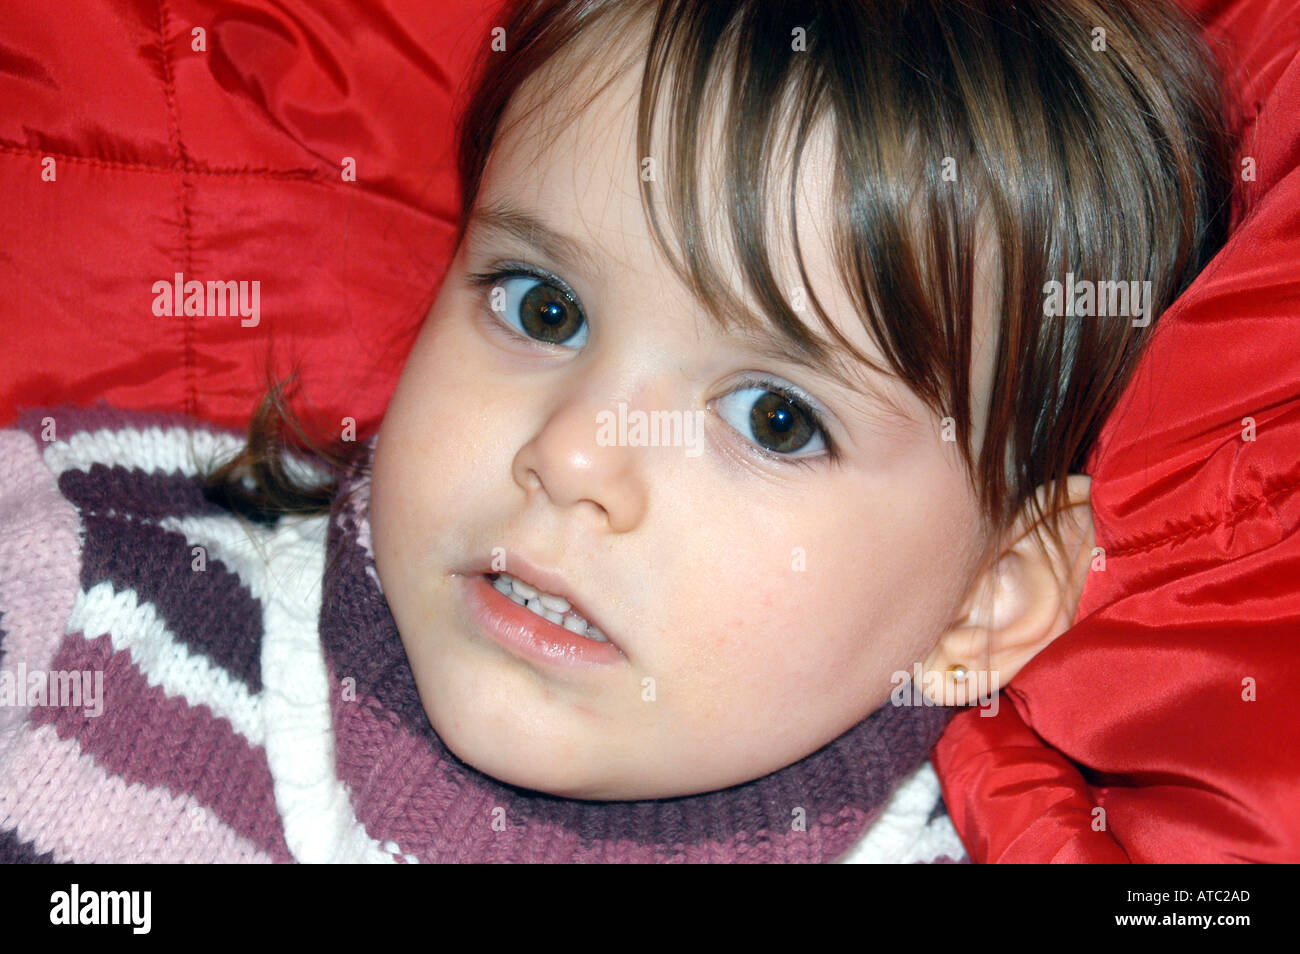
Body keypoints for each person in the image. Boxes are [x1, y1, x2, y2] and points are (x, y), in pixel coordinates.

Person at [0, 0, 1233, 862]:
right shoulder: (70, 584)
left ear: (991, 596)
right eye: (546, 307)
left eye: (776, 417)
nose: (577, 453)